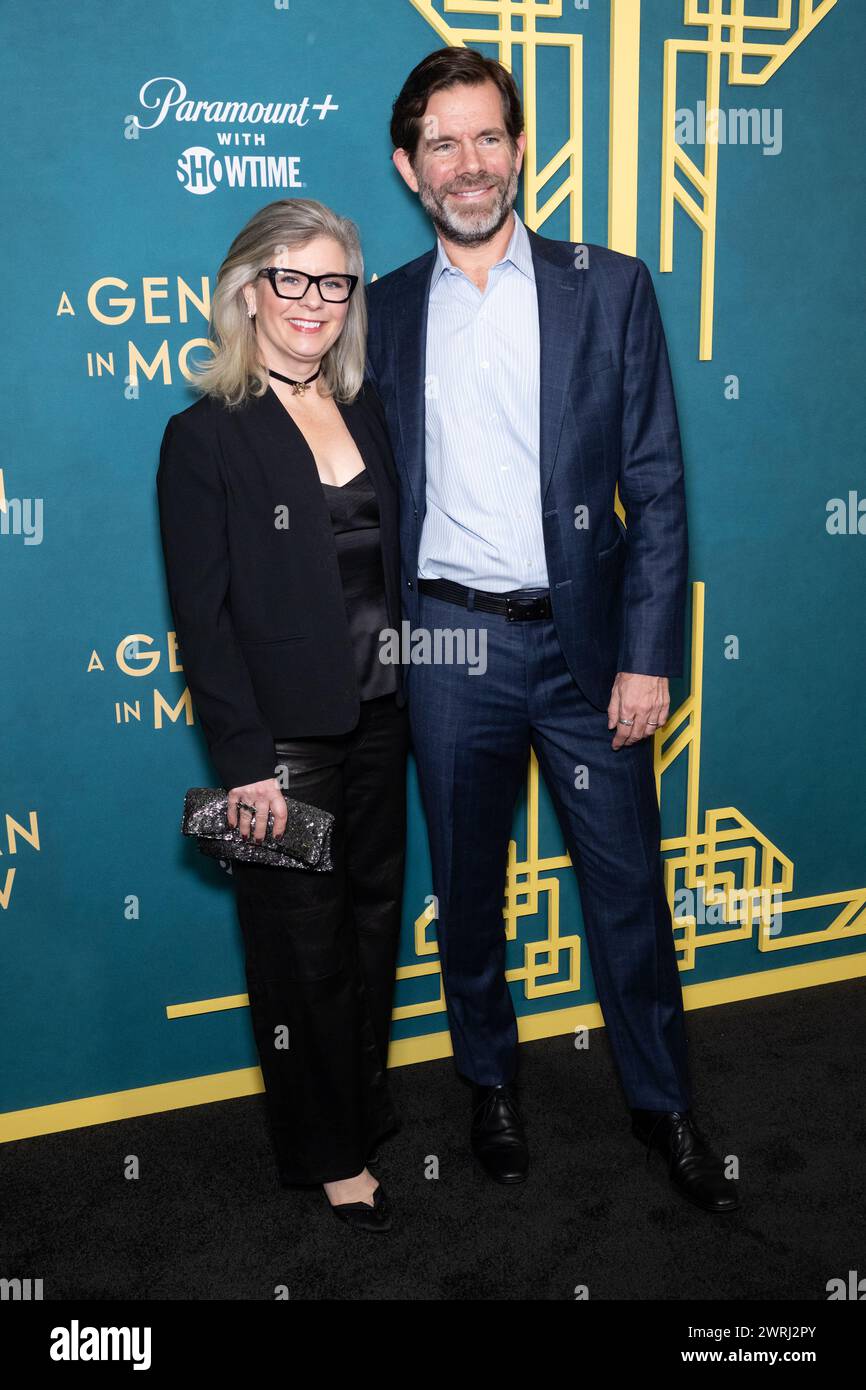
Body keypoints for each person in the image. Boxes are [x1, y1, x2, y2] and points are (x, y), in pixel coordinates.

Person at [365, 47, 739, 1213]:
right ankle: (488, 1083)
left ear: (519, 151)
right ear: (408, 166)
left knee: (627, 889)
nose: (467, 164)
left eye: (486, 138)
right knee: (467, 891)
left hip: (587, 651)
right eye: (442, 143)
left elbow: (657, 487)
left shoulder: (608, 285)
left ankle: (662, 1102)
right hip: (446, 647)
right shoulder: (375, 313)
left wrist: (645, 653)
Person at [156, 198, 410, 1232]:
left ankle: (360, 1106)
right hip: (285, 746)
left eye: (334, 281)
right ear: (249, 292)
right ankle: (328, 1151)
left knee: (368, 930)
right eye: (291, 280)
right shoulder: (202, 434)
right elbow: (201, 618)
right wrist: (246, 762)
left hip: (384, 716)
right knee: (297, 953)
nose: (313, 302)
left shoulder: (369, 412)